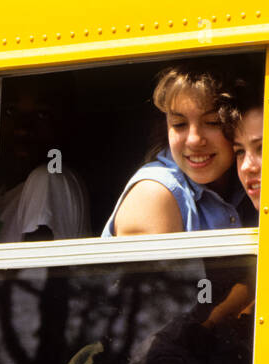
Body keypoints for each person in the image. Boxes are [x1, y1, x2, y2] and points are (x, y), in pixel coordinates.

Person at [102, 62, 248, 236]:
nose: (194, 140)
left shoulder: (248, 179)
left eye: (212, 122)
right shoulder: (152, 197)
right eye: (179, 124)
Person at [0, 83, 90, 241]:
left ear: (64, 125)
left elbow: (37, 265)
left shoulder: (47, 177)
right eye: (10, 111)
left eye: (42, 114)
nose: (22, 128)